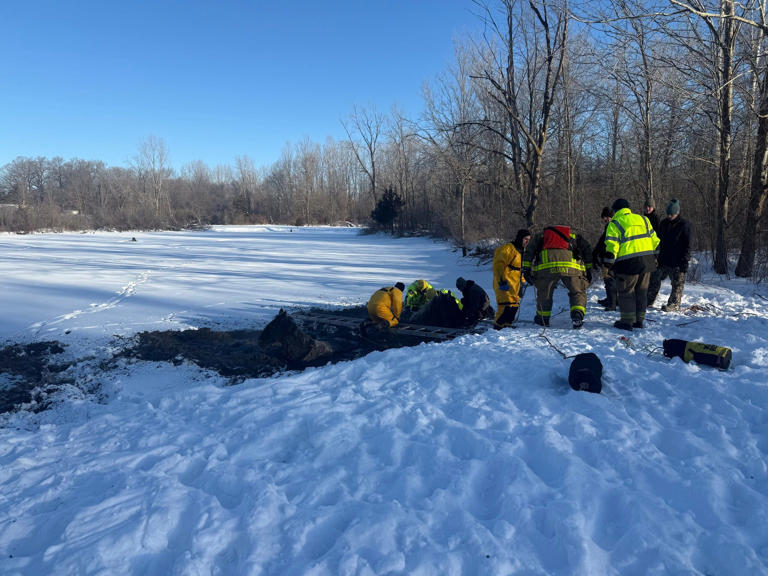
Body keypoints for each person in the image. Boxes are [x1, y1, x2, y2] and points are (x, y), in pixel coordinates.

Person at [604, 198, 660, 331]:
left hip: (627, 264)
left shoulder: (615, 223)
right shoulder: (644, 220)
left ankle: (627, 321)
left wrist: (608, 265)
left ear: (616, 210)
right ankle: (639, 320)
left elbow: (612, 247)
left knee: (626, 292)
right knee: (642, 292)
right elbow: (655, 241)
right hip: (647, 263)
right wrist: (655, 257)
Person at [522, 225, 593, 329]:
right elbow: (587, 250)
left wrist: (526, 269)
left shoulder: (540, 236)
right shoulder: (574, 236)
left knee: (544, 292)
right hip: (571, 267)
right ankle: (577, 315)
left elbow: (529, 251)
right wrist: (589, 269)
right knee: (577, 291)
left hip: (546, 267)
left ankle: (543, 319)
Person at [647, 198, 692, 312]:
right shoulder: (664, 223)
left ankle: (674, 304)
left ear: (677, 213)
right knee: (654, 279)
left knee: (677, 283)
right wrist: (656, 256)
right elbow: (659, 241)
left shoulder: (684, 225)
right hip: (663, 259)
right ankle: (648, 300)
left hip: (678, 260)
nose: (669, 216)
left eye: (671, 214)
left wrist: (685, 261)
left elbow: (687, 245)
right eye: (668, 214)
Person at [492, 229, 531, 329]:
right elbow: (498, 265)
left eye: (529, 240)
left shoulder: (522, 252)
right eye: (525, 239)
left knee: (514, 305)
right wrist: (502, 280)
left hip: (515, 284)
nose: (527, 241)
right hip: (504, 282)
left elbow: (519, 269)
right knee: (506, 305)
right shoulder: (508, 249)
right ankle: (497, 326)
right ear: (520, 238)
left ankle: (507, 325)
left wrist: (522, 282)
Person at [593, 207, 618, 311]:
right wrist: (596, 253)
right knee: (609, 280)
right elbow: (601, 242)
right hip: (607, 257)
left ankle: (612, 303)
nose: (607, 219)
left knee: (609, 280)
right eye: (605, 217)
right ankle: (611, 299)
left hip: (611, 258)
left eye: (609, 217)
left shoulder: (613, 227)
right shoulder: (608, 227)